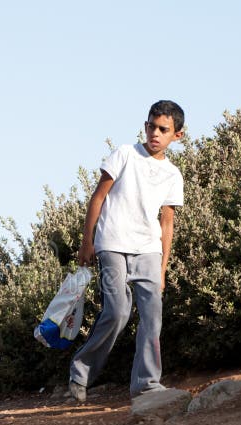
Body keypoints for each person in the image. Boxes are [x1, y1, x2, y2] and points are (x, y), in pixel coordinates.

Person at [69, 100, 185, 402]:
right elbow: (98, 197)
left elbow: (167, 223)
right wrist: (87, 241)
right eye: (151, 126)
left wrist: (162, 270)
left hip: (149, 250)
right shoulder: (124, 154)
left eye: (163, 129)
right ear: (145, 126)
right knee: (117, 311)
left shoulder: (173, 174)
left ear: (177, 135)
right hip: (112, 243)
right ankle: (80, 373)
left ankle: (146, 385)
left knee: (153, 316)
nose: (155, 133)